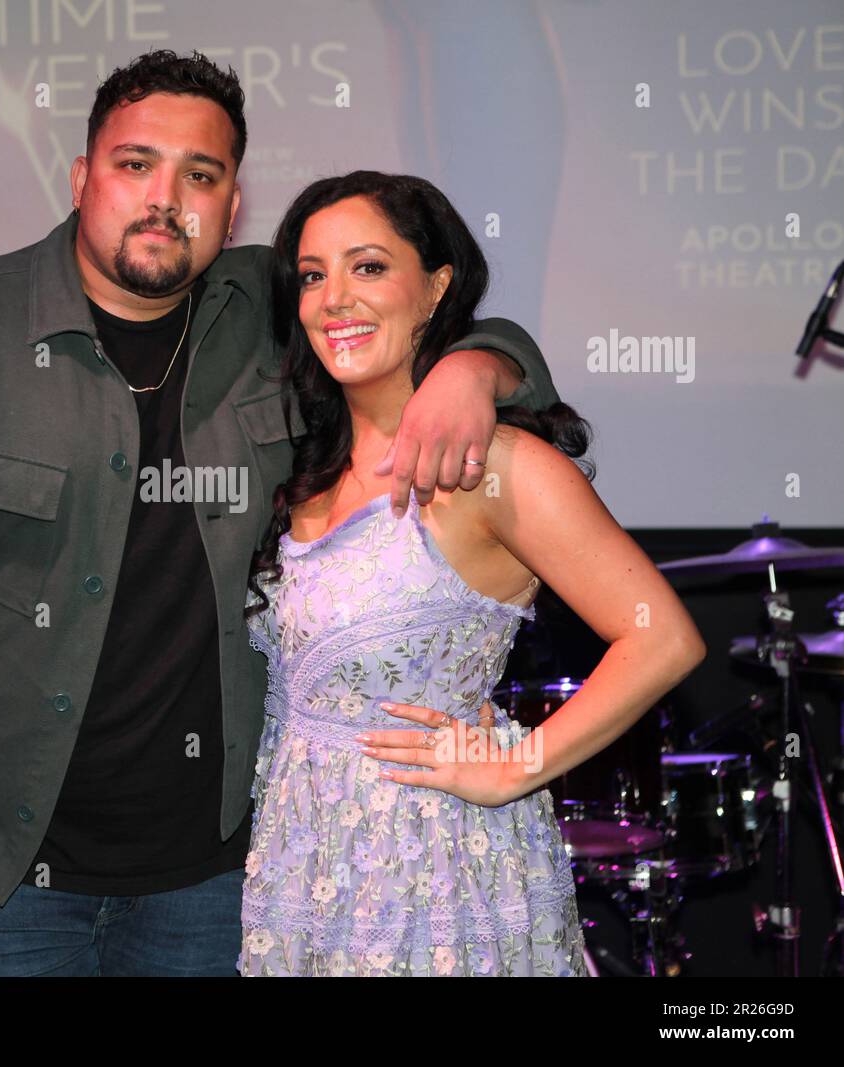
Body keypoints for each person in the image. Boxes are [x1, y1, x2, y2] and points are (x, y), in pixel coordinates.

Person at [0, 51, 562, 979]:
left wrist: (475, 367)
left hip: (218, 883)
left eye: (199, 175)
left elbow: (446, 313)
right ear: (82, 178)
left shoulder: (271, 313)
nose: (166, 198)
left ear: (232, 202)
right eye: (135, 165)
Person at [237, 171, 706, 976]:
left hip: (437, 878)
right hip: (300, 874)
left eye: (369, 267)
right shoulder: (307, 468)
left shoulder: (491, 465)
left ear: (437, 286)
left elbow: (661, 636)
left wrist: (516, 765)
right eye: (313, 275)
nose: (335, 298)